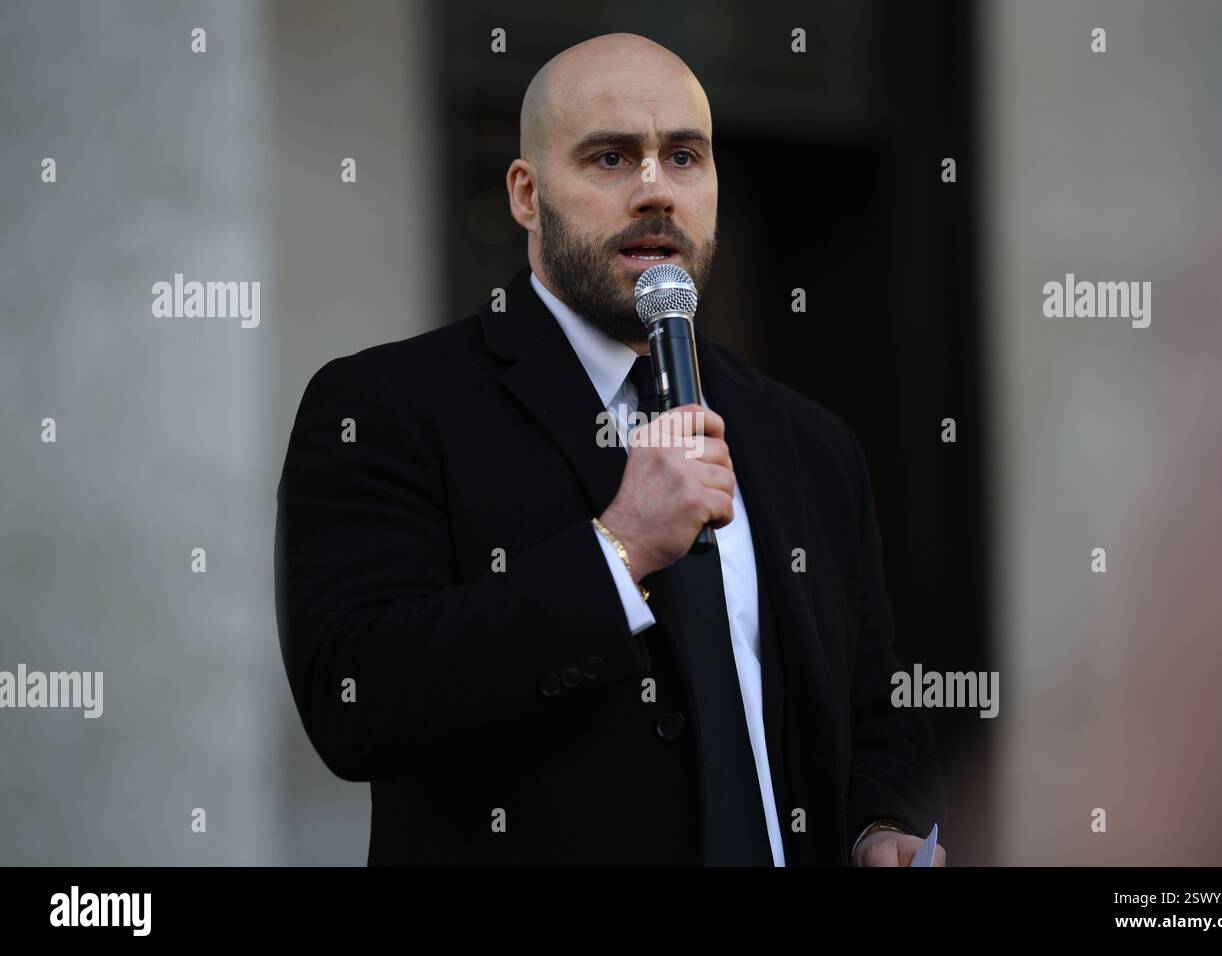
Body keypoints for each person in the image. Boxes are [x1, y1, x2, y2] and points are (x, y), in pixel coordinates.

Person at [274, 32, 945, 866]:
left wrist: (878, 826)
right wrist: (618, 548)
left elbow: (870, 708)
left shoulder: (806, 439)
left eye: (685, 158)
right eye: (611, 158)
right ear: (526, 193)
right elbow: (357, 701)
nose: (656, 191)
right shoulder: (388, 406)